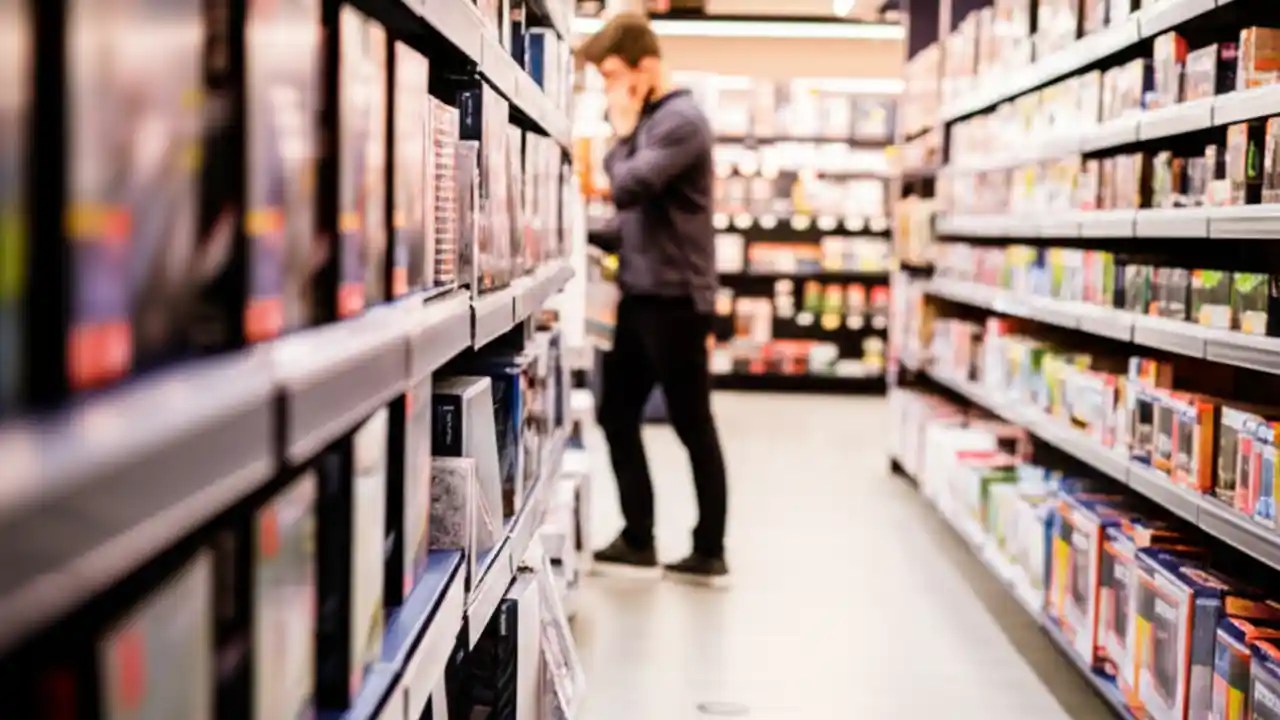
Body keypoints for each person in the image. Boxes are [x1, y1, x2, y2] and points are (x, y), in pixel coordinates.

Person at [579, 13, 729, 584]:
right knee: (615, 412)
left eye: (613, 75)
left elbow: (627, 186)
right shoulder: (651, 120)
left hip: (677, 300)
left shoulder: (681, 121)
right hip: (640, 295)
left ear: (645, 67)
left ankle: (709, 549)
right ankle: (638, 537)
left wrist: (619, 130)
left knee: (693, 423)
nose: (609, 88)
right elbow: (631, 219)